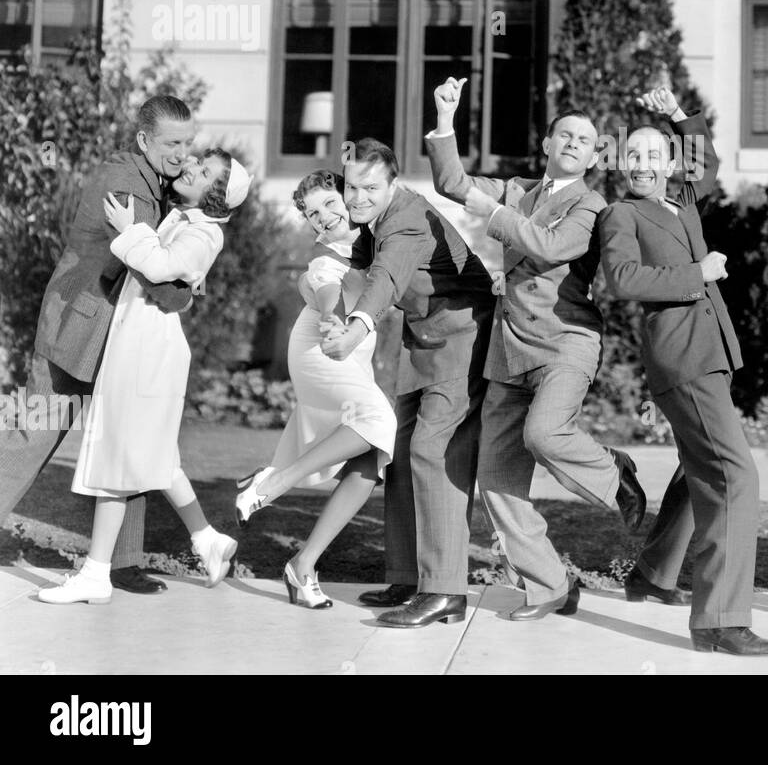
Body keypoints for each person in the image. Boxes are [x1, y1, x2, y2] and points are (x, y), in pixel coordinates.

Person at [425, 78, 659, 623]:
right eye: (566, 135)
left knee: (544, 433)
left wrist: (489, 209)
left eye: (587, 139)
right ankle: (551, 585)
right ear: (548, 146)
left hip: (566, 343)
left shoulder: (593, 204)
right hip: (509, 350)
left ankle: (613, 470)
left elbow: (549, 245)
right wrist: (445, 118)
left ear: (594, 155)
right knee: (499, 480)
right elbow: (451, 181)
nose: (576, 143)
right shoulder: (519, 190)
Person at [598, 87, 768, 657]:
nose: (642, 166)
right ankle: (720, 620)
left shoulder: (683, 201)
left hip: (714, 352)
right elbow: (624, 279)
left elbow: (706, 161)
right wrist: (698, 272)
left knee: (696, 470)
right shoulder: (619, 214)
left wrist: (678, 117)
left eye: (654, 156)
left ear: (671, 164)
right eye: (632, 157)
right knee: (734, 477)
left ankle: (652, 573)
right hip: (684, 359)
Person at [0, 95, 197, 597]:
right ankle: (121, 564)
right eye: (173, 143)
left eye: (187, 142)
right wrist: (185, 291)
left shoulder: (150, 180)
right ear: (144, 141)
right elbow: (149, 265)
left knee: (125, 441)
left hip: (113, 334)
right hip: (78, 328)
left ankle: (122, 564)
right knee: (33, 432)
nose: (182, 153)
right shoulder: (127, 185)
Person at [38, 150, 251, 604]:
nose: (191, 166)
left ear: (215, 197)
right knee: (155, 456)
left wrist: (129, 228)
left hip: (149, 350)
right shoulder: (186, 221)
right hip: (139, 342)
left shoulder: (204, 232)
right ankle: (207, 540)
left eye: (204, 172)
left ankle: (96, 574)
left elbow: (158, 268)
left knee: (116, 459)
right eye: (198, 162)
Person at [305, 139, 495, 627]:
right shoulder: (374, 222)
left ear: (392, 183)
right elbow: (360, 276)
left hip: (463, 337)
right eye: (352, 187)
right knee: (404, 451)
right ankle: (410, 577)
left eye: (371, 187)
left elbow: (386, 279)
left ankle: (445, 590)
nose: (358, 197)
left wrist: (355, 330)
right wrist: (337, 316)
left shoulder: (407, 218)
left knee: (435, 452)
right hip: (425, 340)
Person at [234, 171, 397, 610]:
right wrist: (333, 317)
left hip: (350, 358)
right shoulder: (326, 261)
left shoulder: (379, 238)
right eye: (311, 213)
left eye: (328, 205)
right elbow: (328, 291)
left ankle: (302, 566)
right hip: (319, 351)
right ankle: (275, 481)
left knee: (369, 461)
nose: (321, 218)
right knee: (381, 421)